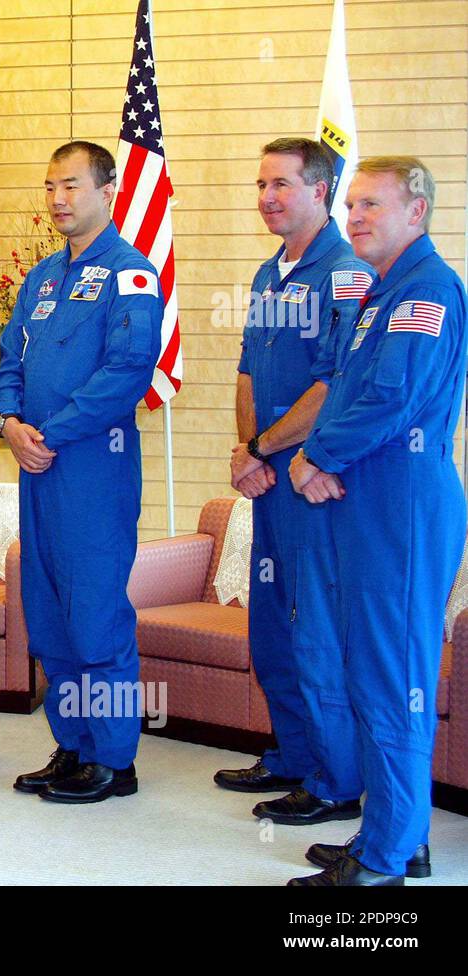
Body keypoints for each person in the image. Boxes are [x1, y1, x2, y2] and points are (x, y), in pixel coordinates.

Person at [288, 157, 467, 886]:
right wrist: (326, 457)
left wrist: (313, 458)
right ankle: (396, 834)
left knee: (394, 679)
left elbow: (390, 402)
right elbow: (346, 394)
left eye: (371, 206)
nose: (355, 217)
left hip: (403, 506)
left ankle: (387, 859)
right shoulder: (380, 293)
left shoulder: (428, 292)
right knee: (372, 674)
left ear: (415, 211)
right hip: (368, 499)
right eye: (351, 205)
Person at [0, 141, 162, 803]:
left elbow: (127, 373)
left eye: (71, 186)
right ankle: (73, 745)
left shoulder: (131, 274)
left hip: (92, 469)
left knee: (94, 616)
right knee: (51, 616)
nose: (59, 200)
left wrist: (50, 433)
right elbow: (9, 361)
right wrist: (10, 423)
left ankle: (113, 761)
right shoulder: (41, 279)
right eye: (50, 187)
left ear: (106, 189)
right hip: (37, 469)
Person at [216, 139, 371, 827]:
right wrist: (249, 454)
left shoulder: (346, 273)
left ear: (320, 190)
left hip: (313, 486)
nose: (267, 197)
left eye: (281, 184)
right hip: (271, 478)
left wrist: (266, 449)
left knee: (315, 635)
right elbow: (250, 370)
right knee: (272, 627)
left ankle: (333, 780)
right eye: (260, 185)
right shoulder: (265, 274)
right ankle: (289, 753)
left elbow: (332, 384)